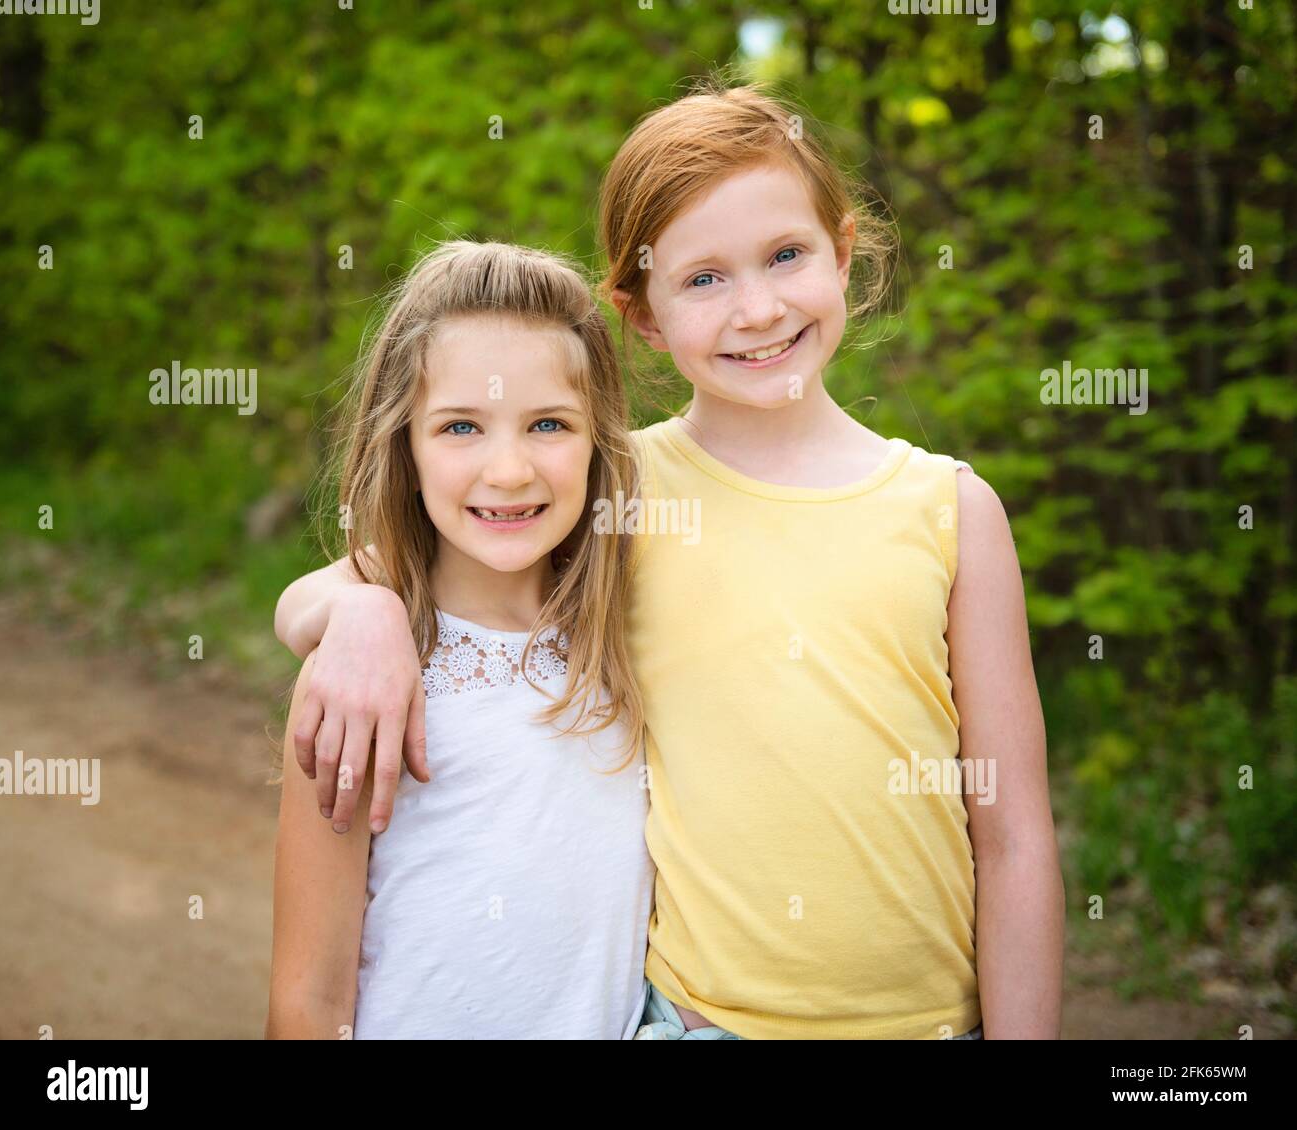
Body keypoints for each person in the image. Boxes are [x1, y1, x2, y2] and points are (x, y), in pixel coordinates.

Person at [275, 81, 1065, 1040]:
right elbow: (405, 561)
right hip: (698, 1024)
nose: (759, 309)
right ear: (642, 314)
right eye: (703, 278)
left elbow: (1015, 836)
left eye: (785, 255)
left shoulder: (951, 510)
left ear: (844, 253)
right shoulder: (612, 491)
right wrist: (355, 610)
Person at [265, 240, 654, 1039]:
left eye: (549, 423)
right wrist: (362, 611)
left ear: (599, 442)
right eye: (460, 427)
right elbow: (307, 1002)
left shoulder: (633, 637)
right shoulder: (363, 673)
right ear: (404, 447)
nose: (508, 470)